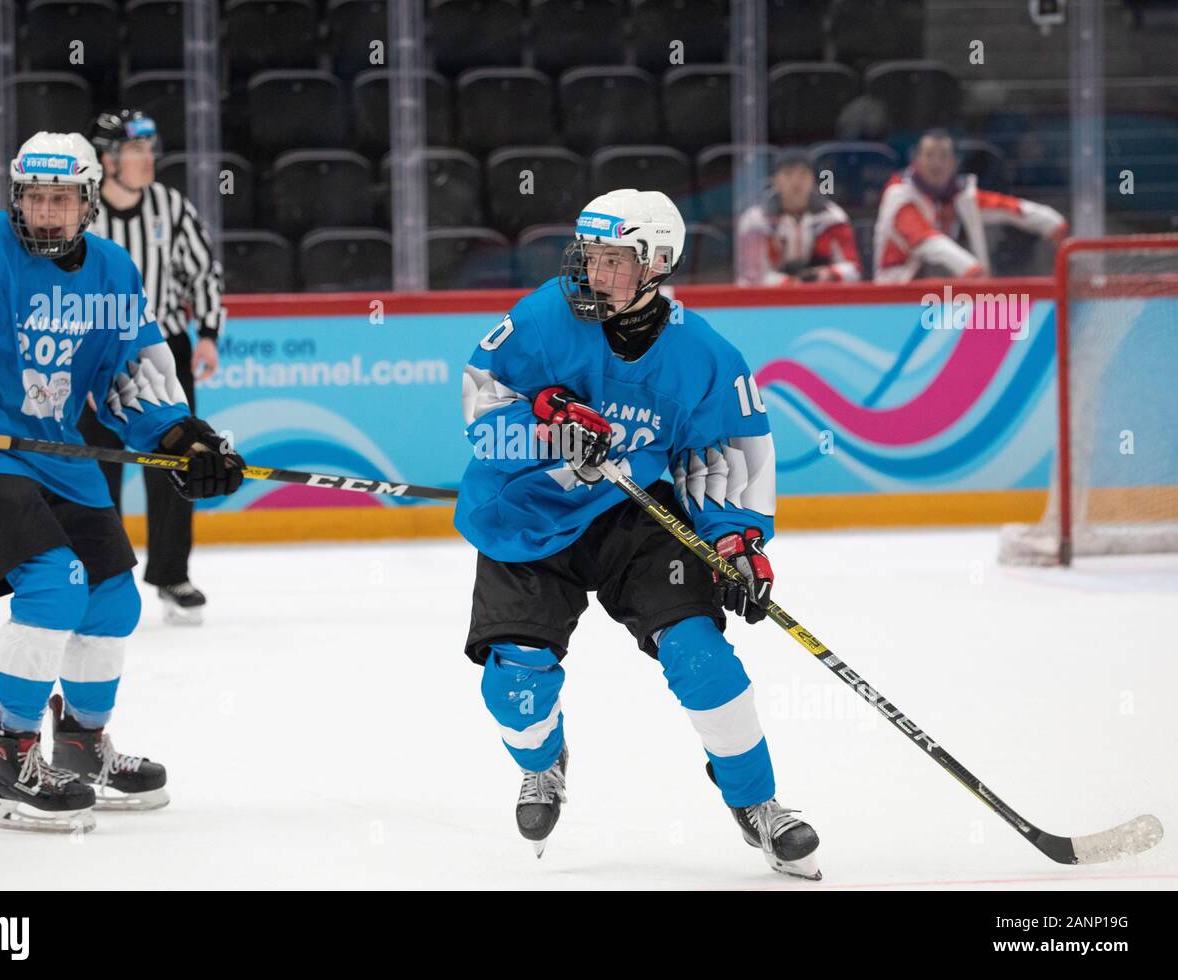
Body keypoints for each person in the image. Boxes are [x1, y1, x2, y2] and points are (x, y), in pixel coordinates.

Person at [0, 132, 245, 832]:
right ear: (16, 197)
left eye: (63, 200)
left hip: (56, 451)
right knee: (54, 585)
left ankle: (80, 746)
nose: (46, 213)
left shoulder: (112, 270)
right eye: (34, 198)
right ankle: (10, 761)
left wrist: (183, 439)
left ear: (89, 203)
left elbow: (132, 371)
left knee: (111, 600)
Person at [455, 188, 821, 880]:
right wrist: (547, 426)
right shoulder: (540, 319)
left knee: (701, 657)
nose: (594, 272)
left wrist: (736, 541)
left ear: (657, 262)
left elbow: (722, 457)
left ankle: (758, 802)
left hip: (635, 515)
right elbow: (482, 411)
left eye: (614, 260)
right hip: (526, 512)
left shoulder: (703, 357)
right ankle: (543, 762)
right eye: (589, 256)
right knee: (517, 684)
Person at [76, 109, 227, 625]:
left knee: (178, 459)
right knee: (98, 470)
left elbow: (203, 273)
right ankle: (100, 576)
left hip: (163, 351)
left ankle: (171, 574)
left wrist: (208, 335)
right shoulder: (83, 212)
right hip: (94, 356)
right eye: (135, 150)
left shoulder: (170, 206)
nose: (148, 159)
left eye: (148, 149)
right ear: (107, 160)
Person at [873, 128, 1068, 282]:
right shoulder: (899, 195)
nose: (936, 163)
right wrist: (971, 269)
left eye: (943, 156)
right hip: (898, 295)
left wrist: (1051, 223)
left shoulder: (959, 194)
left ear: (954, 163)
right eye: (929, 155)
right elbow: (925, 240)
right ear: (916, 160)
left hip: (956, 292)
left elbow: (1005, 206)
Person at [738, 148, 863, 285]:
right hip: (771, 294)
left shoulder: (832, 218)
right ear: (775, 181)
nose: (796, 182)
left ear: (813, 180)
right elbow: (751, 275)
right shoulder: (756, 221)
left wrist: (827, 274)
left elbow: (853, 270)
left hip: (820, 291)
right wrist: (791, 283)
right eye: (788, 174)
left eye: (803, 174)